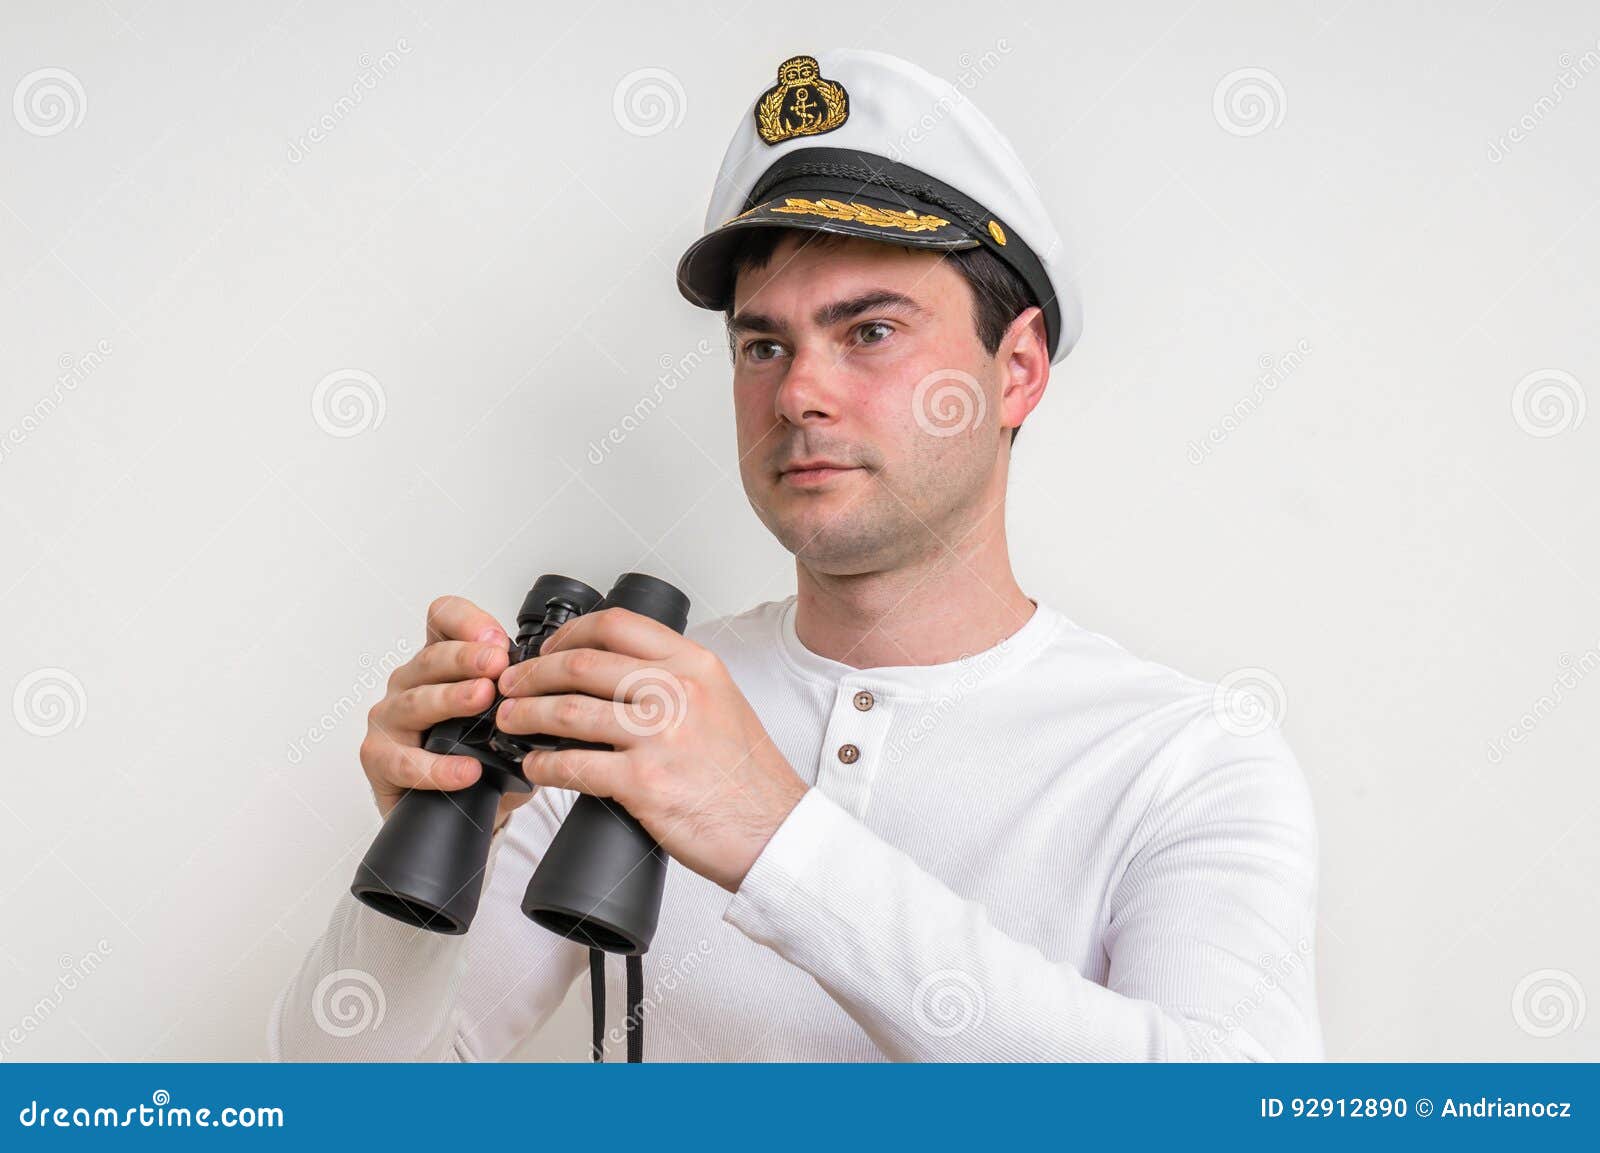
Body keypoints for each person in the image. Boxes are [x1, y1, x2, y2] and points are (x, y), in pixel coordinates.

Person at [270, 48, 1322, 1062]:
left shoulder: (1184, 759)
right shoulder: (638, 705)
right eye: (762, 344)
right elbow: (341, 1109)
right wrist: (419, 870)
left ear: (1018, 370)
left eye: (868, 331)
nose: (798, 393)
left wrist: (775, 836)